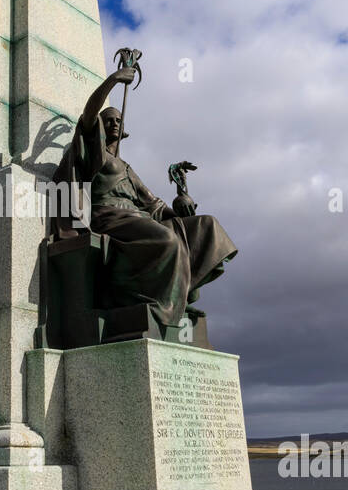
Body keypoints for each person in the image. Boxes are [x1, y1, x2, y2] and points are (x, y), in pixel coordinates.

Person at [53, 66, 237, 326]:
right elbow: (89, 114)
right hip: (109, 216)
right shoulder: (95, 155)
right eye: (109, 120)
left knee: (206, 227)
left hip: (137, 217)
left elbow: (154, 205)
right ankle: (162, 305)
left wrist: (181, 205)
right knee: (167, 240)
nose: (114, 123)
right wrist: (115, 79)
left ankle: (179, 297)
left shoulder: (127, 168)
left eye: (118, 120)